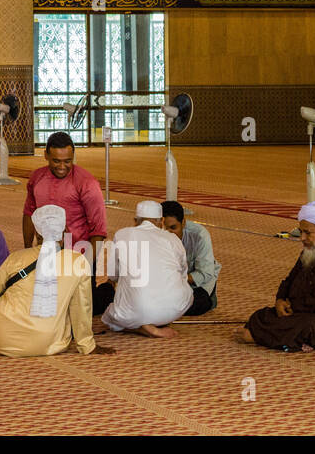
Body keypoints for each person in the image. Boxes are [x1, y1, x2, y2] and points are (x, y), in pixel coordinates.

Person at [0, 205, 114, 359]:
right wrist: (87, 345)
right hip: (49, 342)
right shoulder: (78, 261)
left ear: (38, 233)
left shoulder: (17, 257)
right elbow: (81, 306)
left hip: (1, 333)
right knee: (64, 315)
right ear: (65, 231)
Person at [237, 201, 315, 352]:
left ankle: (258, 337)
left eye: (307, 233)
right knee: (261, 315)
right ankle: (271, 336)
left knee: (307, 327)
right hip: (305, 311)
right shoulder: (312, 250)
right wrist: (280, 300)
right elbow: (290, 279)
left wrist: (293, 307)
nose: (302, 238)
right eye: (301, 232)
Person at [22, 131, 112, 313]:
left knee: (93, 300)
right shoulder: (37, 178)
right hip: (46, 254)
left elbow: (99, 232)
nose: (62, 167)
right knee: (22, 294)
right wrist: (27, 251)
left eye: (67, 161)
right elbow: (28, 213)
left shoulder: (87, 183)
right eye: (56, 161)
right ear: (46, 155)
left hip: (79, 256)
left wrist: (81, 269)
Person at [100, 200, 192, 339]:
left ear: (135, 220)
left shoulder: (123, 234)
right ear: (161, 221)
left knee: (109, 317)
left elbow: (114, 274)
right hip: (177, 307)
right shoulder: (172, 238)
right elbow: (183, 272)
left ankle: (144, 328)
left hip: (140, 309)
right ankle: (159, 321)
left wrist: (114, 282)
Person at [161, 200, 221, 316]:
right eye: (164, 229)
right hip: (168, 284)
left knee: (190, 305)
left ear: (183, 222)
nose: (169, 234)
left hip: (196, 285)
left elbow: (205, 273)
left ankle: (210, 298)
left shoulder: (199, 235)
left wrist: (175, 278)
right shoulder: (155, 234)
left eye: (173, 228)